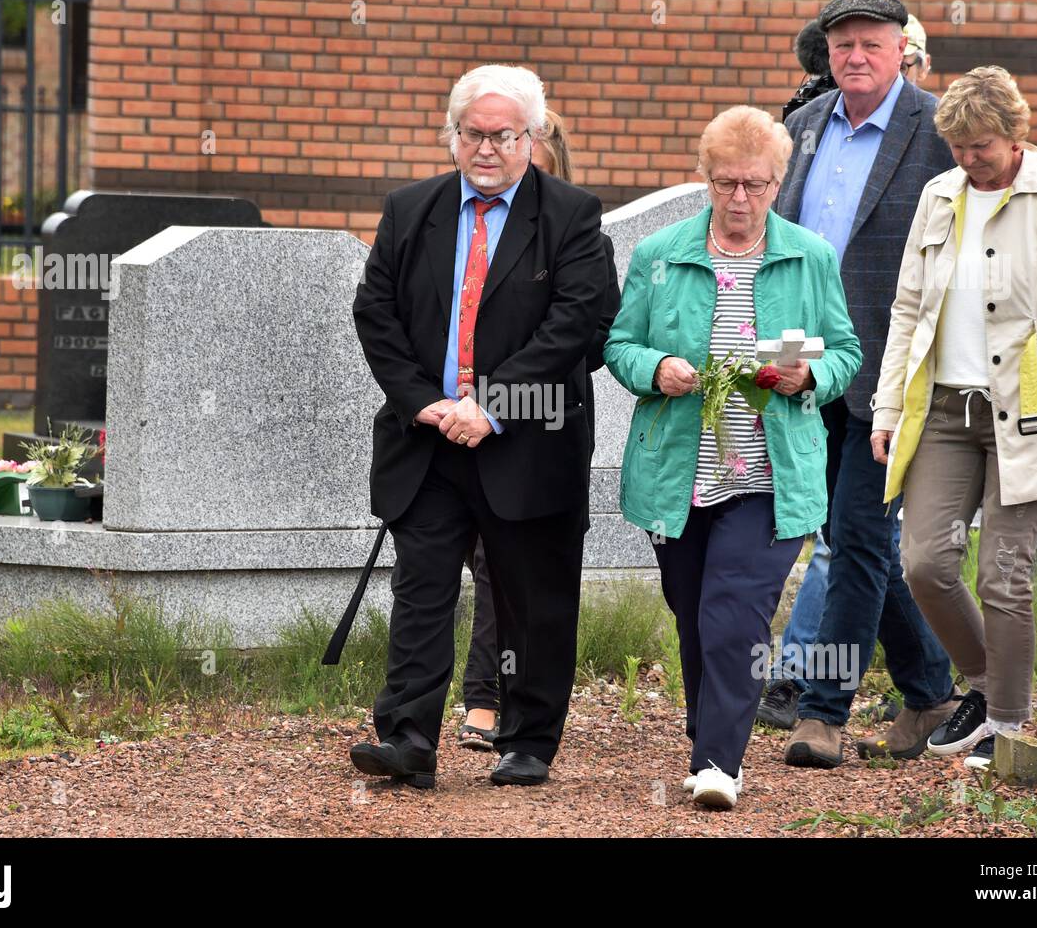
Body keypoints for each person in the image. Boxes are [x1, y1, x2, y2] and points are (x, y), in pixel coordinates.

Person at [350, 64, 609, 788]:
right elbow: (376, 312)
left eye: (503, 134)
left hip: (527, 441)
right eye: (473, 133)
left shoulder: (571, 216)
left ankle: (527, 738)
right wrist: (422, 401)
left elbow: (572, 325)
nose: (487, 147)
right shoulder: (411, 209)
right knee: (423, 586)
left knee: (532, 595)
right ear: (453, 136)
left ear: (531, 138)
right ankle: (407, 735)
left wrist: (489, 405)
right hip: (427, 440)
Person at [605, 105, 861, 808]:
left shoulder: (808, 256)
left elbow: (843, 351)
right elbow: (619, 345)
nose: (740, 198)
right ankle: (707, 736)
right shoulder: (662, 253)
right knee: (692, 614)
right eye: (725, 183)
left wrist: (810, 375)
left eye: (754, 184)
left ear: (778, 182)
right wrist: (656, 367)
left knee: (732, 613)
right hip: (679, 474)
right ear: (704, 178)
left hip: (770, 473)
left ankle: (721, 762)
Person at [873, 65, 1037, 768]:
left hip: (1031, 416)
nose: (968, 158)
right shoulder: (938, 195)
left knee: (1003, 574)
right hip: (945, 410)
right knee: (924, 563)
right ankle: (983, 684)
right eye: (957, 145)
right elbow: (908, 309)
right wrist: (889, 407)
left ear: (1014, 135)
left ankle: (1005, 724)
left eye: (980, 144)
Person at [773, 0, 960, 770]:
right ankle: (932, 690)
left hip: (890, 369)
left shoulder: (937, 130)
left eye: (870, 44)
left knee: (855, 534)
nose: (854, 56)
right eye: (842, 43)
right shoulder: (802, 127)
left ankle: (822, 712)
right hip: (802, 368)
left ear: (899, 50)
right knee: (851, 539)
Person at [457, 109, 620, 751]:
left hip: (545, 418)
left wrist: (539, 359)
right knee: (482, 560)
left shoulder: (578, 232)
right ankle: (482, 696)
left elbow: (599, 331)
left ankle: (511, 710)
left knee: (527, 571)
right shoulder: (467, 229)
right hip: (470, 415)